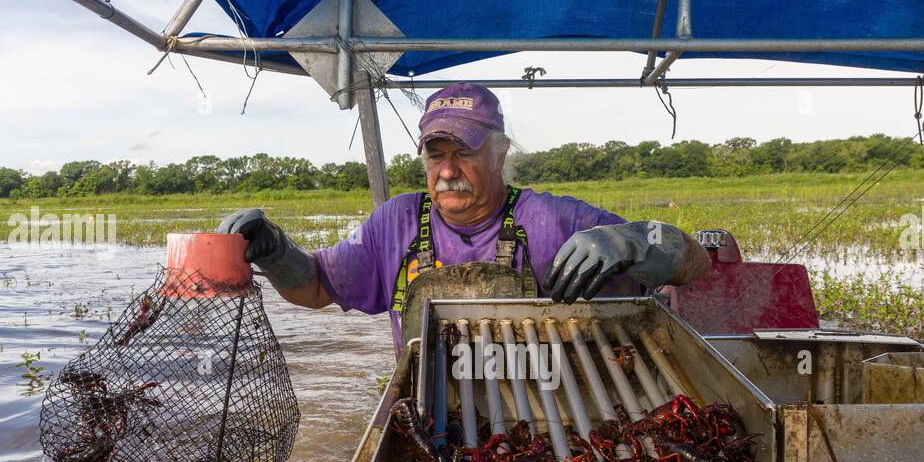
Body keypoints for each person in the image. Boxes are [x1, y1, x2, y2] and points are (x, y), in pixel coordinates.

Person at [217, 82, 711, 353]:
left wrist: (635, 241)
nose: (448, 171)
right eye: (436, 155)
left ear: (499, 156)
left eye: (465, 153)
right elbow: (318, 288)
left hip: (542, 417)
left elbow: (693, 264)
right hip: (429, 418)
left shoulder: (549, 218)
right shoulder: (397, 223)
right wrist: (276, 252)